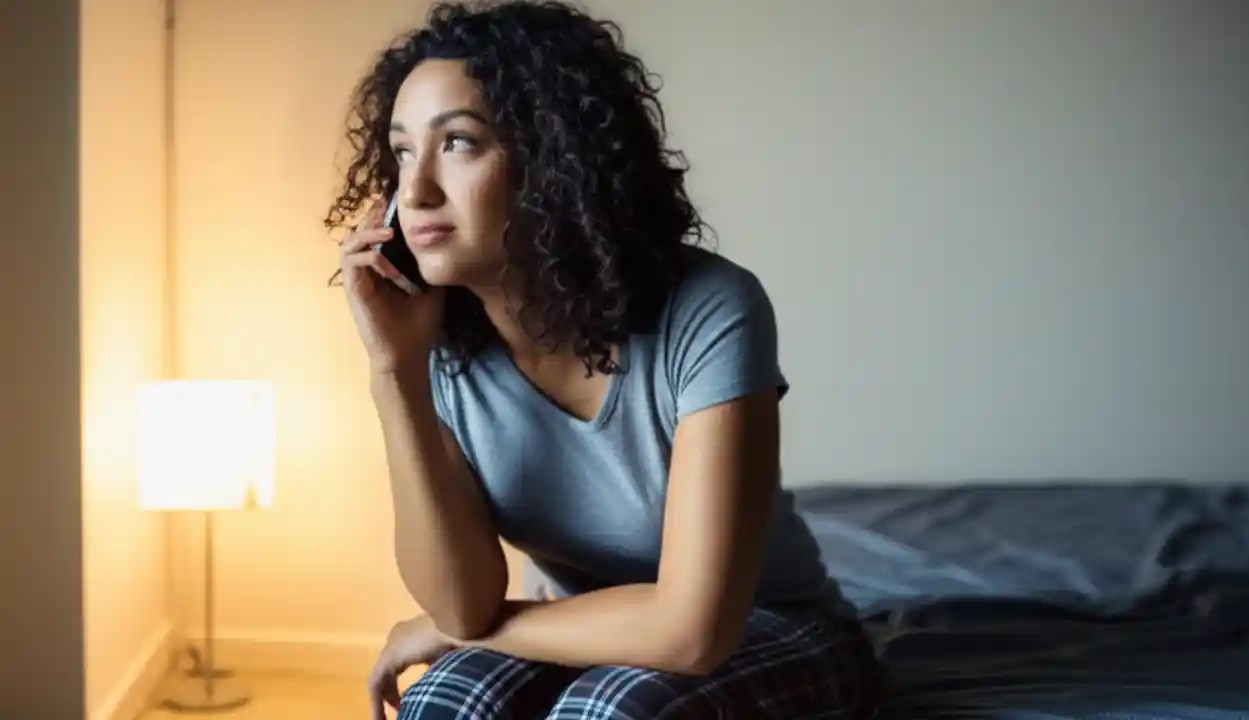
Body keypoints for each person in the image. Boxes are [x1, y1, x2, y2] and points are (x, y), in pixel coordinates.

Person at [328, 2, 883, 718]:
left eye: (459, 143)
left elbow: (691, 633)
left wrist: (459, 629)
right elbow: (464, 603)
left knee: (610, 711)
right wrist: (393, 372)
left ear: (553, 161)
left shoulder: (710, 309)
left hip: (774, 629)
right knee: (444, 702)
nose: (415, 189)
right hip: (577, 633)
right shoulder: (435, 344)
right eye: (403, 151)